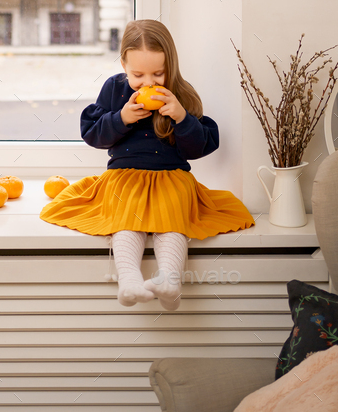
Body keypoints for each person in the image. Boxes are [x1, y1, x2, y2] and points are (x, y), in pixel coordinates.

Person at [39, 19, 255, 310]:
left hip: (171, 177)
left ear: (171, 66)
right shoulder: (114, 90)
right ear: (124, 64)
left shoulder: (181, 93)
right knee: (125, 219)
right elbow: (92, 133)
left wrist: (182, 118)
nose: (148, 83)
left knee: (174, 218)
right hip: (125, 178)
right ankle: (129, 280)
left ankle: (169, 282)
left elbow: (201, 146)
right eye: (137, 74)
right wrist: (121, 118)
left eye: (158, 73)